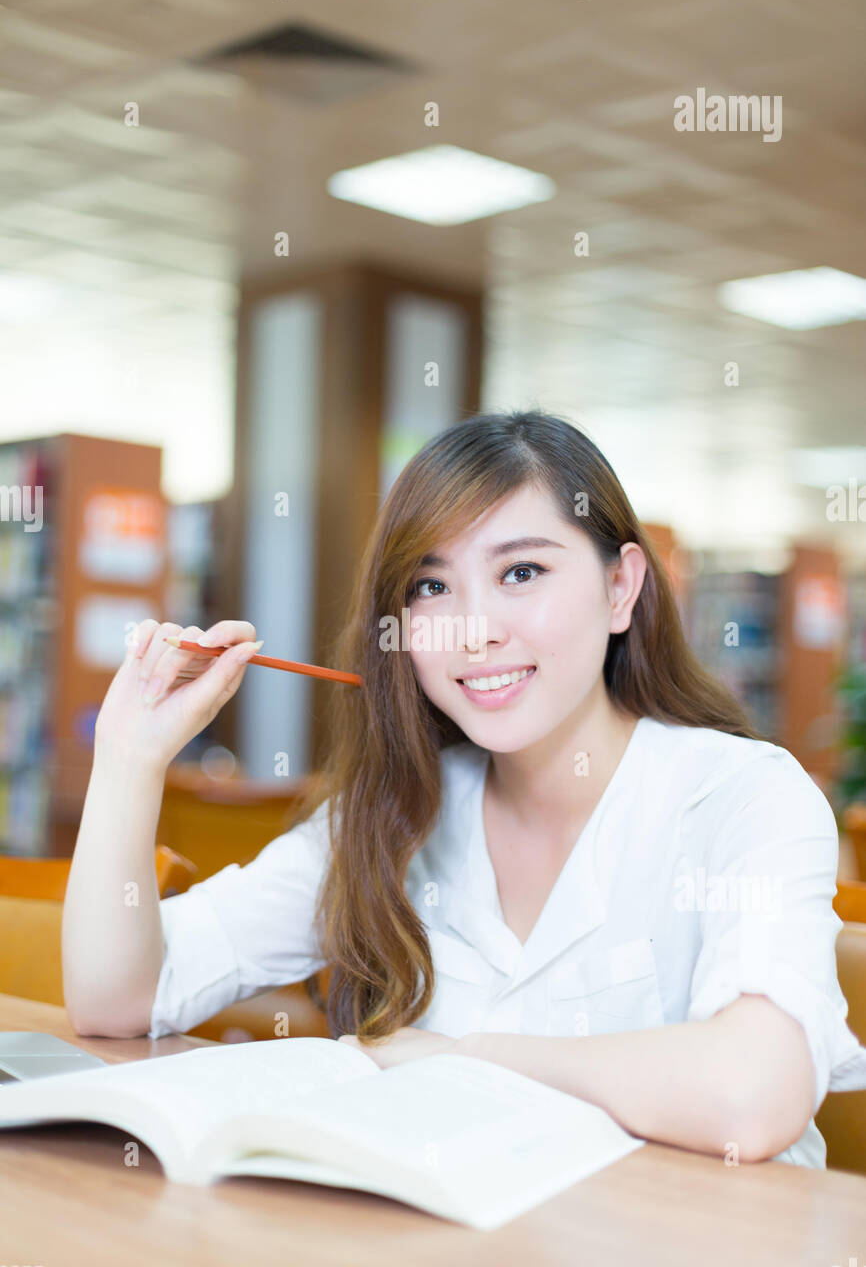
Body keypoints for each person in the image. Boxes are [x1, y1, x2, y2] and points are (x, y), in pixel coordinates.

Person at [63, 409, 866, 1169]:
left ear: (622, 589)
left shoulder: (742, 797)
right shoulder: (395, 810)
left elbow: (753, 1094)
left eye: (522, 571)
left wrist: (462, 1060)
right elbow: (117, 999)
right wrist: (130, 757)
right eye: (431, 586)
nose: (471, 630)